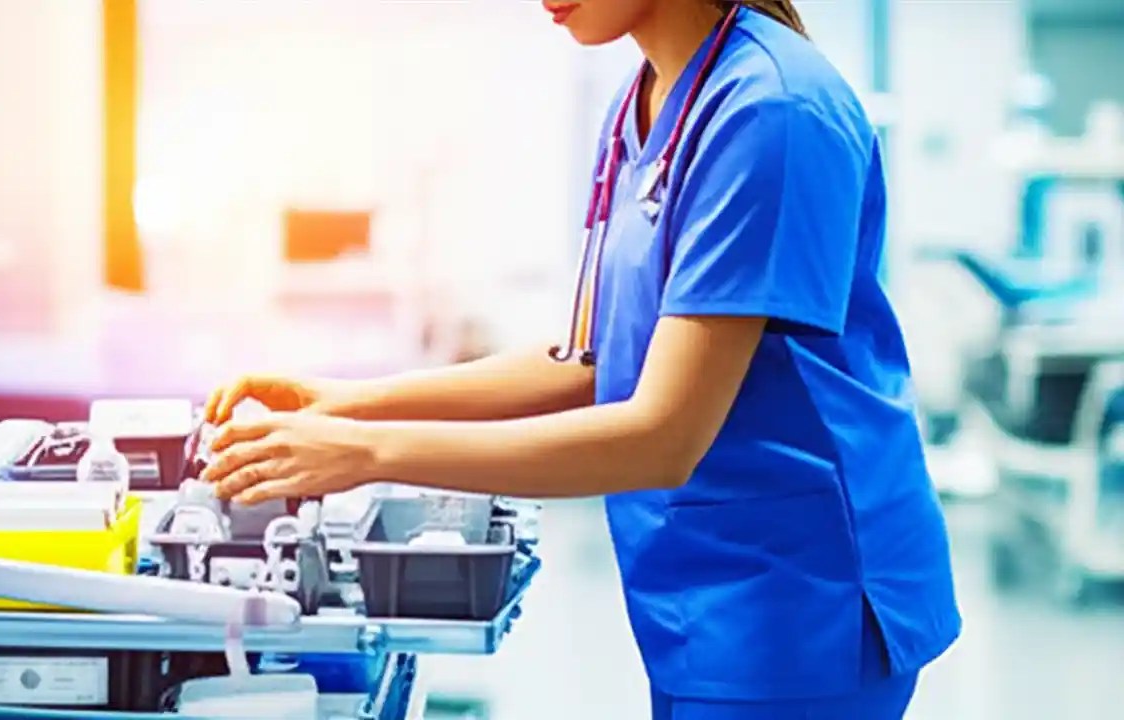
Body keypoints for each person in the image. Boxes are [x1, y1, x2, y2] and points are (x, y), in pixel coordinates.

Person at [201, 1, 961, 718]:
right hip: (707, 586)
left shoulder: (771, 113)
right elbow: (591, 357)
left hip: (804, 597)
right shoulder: (650, 99)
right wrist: (344, 405)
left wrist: (366, 453)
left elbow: (661, 436)